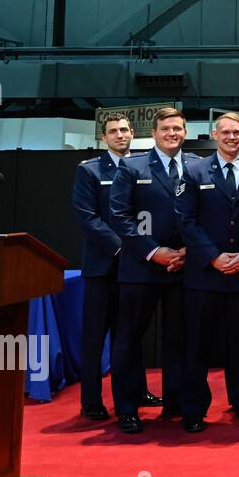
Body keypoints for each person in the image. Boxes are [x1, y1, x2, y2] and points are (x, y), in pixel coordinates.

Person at [108, 107, 200, 434]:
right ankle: (127, 409)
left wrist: (189, 251)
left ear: (185, 132)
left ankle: (177, 404)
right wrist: (154, 252)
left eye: (178, 128)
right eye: (166, 129)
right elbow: (119, 216)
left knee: (180, 339)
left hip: (184, 269)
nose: (172, 133)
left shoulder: (197, 166)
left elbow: (205, 215)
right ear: (154, 133)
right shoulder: (132, 167)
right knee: (129, 339)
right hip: (141, 269)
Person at [174, 112, 239, 433]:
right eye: (226, 132)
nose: (232, 137)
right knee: (198, 345)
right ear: (215, 134)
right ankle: (193, 408)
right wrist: (213, 257)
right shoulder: (193, 171)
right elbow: (185, 220)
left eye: (237, 132)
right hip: (204, 276)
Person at [72, 113, 159, 421]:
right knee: (96, 336)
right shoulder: (90, 170)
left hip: (136, 268)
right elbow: (88, 217)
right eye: (113, 131)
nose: (120, 135)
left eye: (124, 130)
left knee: (131, 333)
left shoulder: (143, 168)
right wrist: (123, 248)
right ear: (103, 137)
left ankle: (138, 390)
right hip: (104, 267)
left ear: (132, 132)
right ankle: (91, 400)